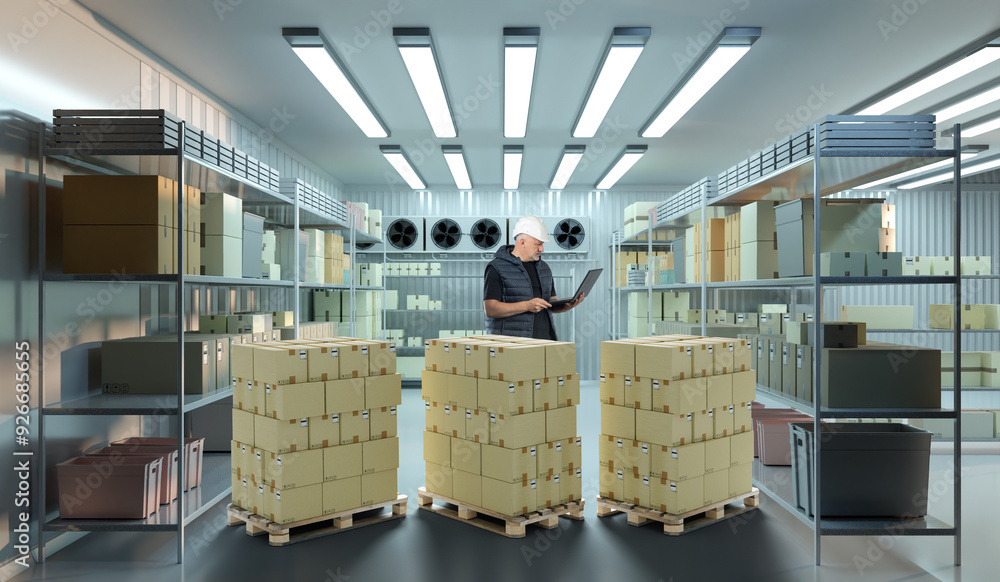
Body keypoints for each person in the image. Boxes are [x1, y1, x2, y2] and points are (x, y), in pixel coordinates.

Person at [483, 216, 585, 340]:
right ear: (522, 242)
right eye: (538, 244)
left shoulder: (544, 268)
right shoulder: (496, 267)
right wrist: (527, 306)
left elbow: (550, 302)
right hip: (513, 344)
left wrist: (566, 306)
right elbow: (490, 309)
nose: (542, 249)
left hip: (545, 340)